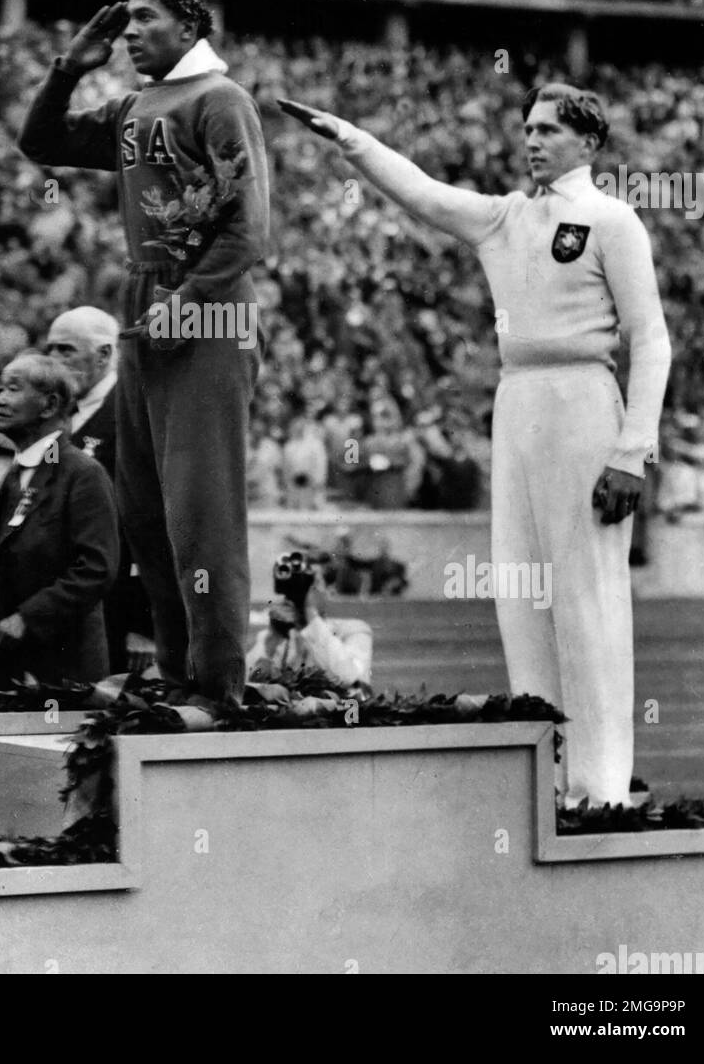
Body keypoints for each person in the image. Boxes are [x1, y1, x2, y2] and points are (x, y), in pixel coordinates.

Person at [280, 83, 671, 809]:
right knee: (520, 590)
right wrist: (347, 138)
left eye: (548, 130)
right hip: (516, 397)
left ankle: (602, 785)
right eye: (525, 128)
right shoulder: (503, 218)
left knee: (584, 594)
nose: (530, 140)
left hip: (583, 395)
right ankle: (542, 769)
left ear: (586, 143)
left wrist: (630, 449)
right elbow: (422, 192)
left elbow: (649, 337)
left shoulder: (611, 220)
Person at [20, 0, 270, 706]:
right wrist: (69, 68)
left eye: (145, 18)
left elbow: (249, 228)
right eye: (125, 20)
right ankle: (173, 668)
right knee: (146, 509)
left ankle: (219, 683)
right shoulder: (135, 105)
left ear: (189, 28)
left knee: (201, 507)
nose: (129, 31)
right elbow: (43, 141)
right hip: (144, 295)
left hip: (208, 305)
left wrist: (186, 301)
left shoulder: (219, 101)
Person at [0, 353, 119, 689]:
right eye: (1, 388)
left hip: (59, 671)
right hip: (2, 660)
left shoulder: (83, 474)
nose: (0, 399)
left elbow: (96, 569)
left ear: (49, 405)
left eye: (13, 388)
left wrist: (28, 618)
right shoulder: (17, 474)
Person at [44, 306, 155, 674]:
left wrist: (144, 624)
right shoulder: (58, 414)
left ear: (105, 354)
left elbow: (153, 518)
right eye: (51, 350)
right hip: (62, 601)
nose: (54, 360)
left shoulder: (136, 412)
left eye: (66, 350)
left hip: (117, 607)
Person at [247, 553, 373, 693]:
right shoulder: (276, 636)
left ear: (329, 591)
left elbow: (348, 678)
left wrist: (311, 618)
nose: (304, 591)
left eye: (314, 584)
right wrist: (272, 640)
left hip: (344, 713)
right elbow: (244, 683)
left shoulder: (353, 630)